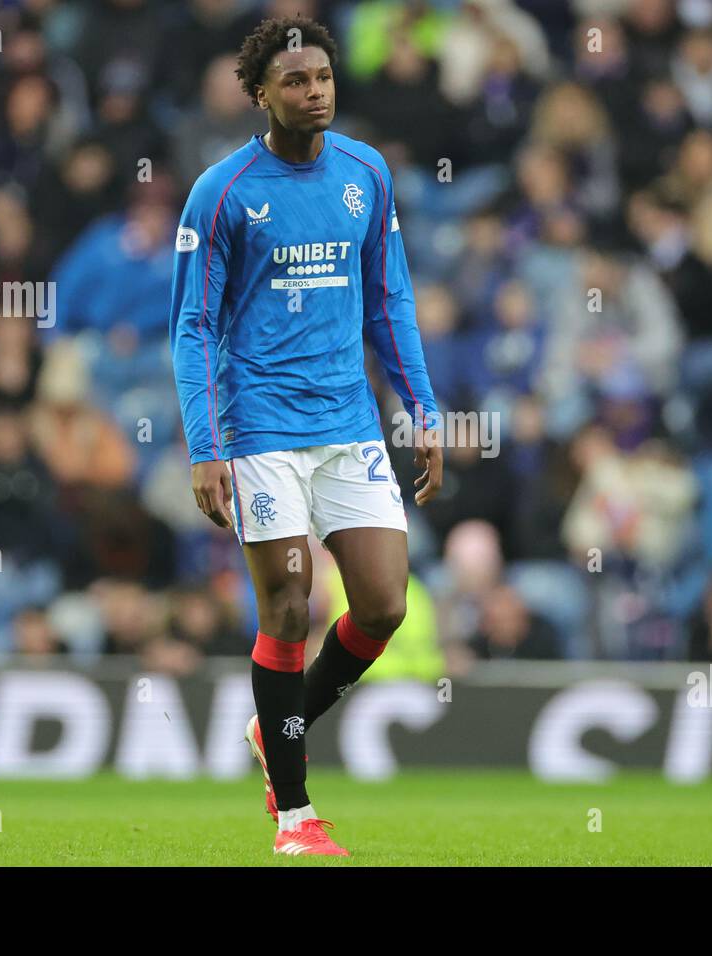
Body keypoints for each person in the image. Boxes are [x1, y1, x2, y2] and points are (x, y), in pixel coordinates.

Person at [168, 16, 443, 858]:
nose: (314, 90)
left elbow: (388, 300)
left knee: (385, 606)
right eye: (295, 80)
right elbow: (191, 326)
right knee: (287, 605)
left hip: (348, 423)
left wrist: (421, 409)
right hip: (259, 430)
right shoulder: (222, 190)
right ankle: (296, 817)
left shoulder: (366, 174)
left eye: (322, 76)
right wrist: (205, 443)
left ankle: (275, 727)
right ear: (261, 93)